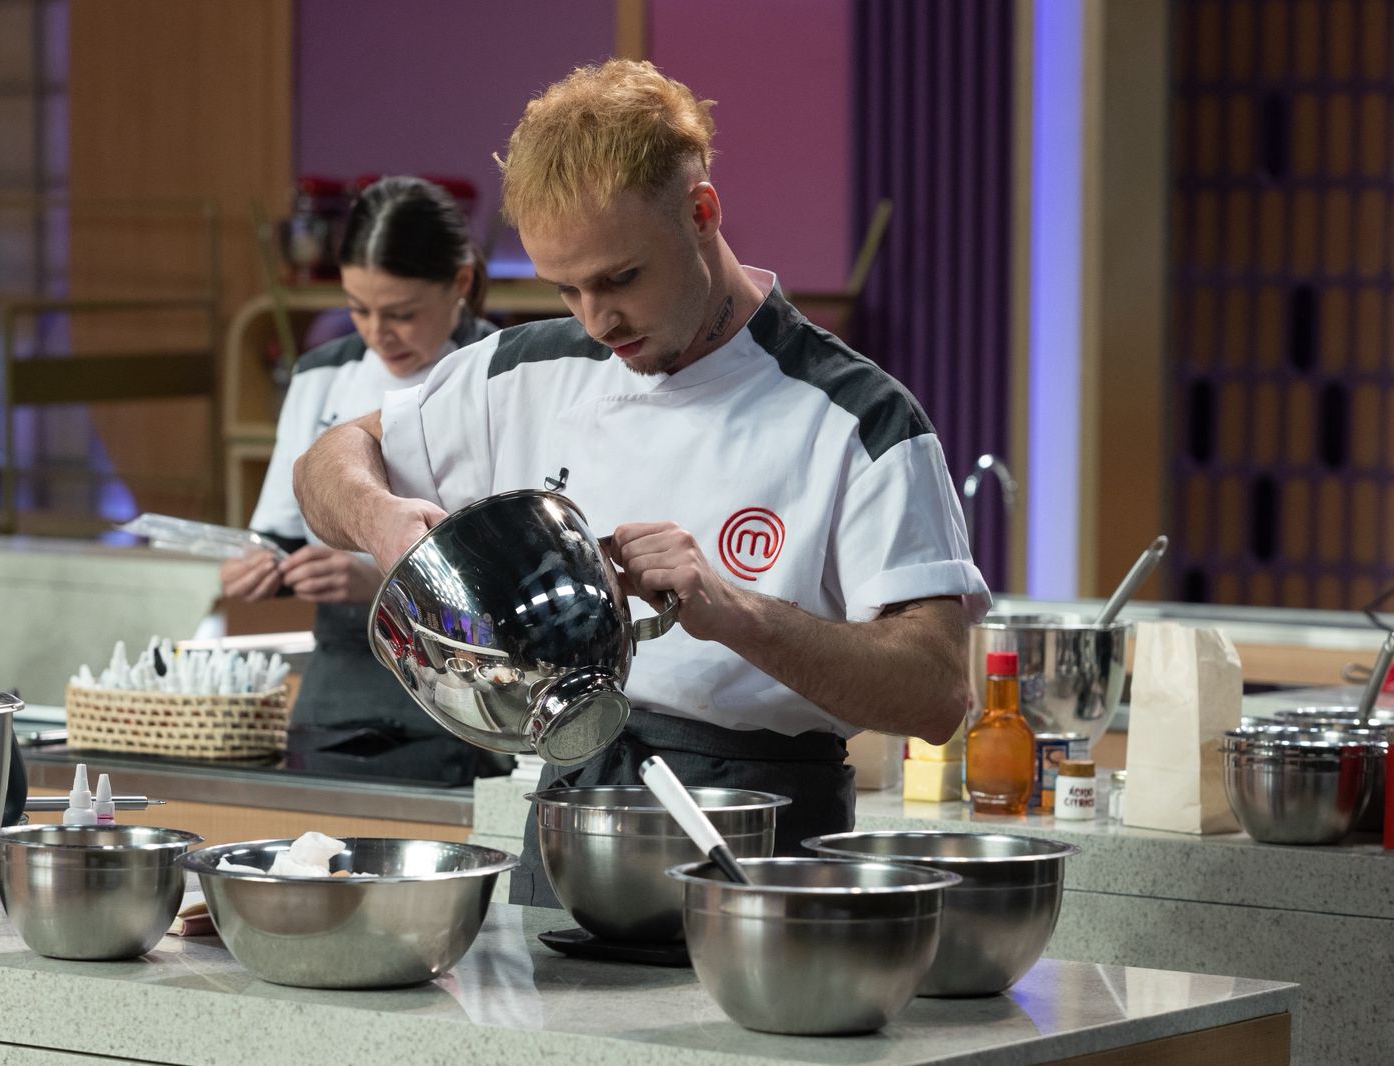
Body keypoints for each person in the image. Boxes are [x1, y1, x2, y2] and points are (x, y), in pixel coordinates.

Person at [292, 60, 991, 905]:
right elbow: (327, 461)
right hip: (568, 813)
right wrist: (384, 523)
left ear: (701, 214)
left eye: (621, 279)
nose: (596, 319)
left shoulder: (855, 417)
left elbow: (938, 692)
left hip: (761, 840)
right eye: (567, 287)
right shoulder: (530, 369)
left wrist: (736, 613)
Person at [221, 176, 502, 779]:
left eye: (401, 313)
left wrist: (376, 576)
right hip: (343, 675)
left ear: (458, 283)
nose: (378, 333)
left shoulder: (501, 374)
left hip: (466, 679)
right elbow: (280, 530)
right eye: (358, 309)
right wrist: (264, 566)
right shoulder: (323, 373)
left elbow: (505, 564)